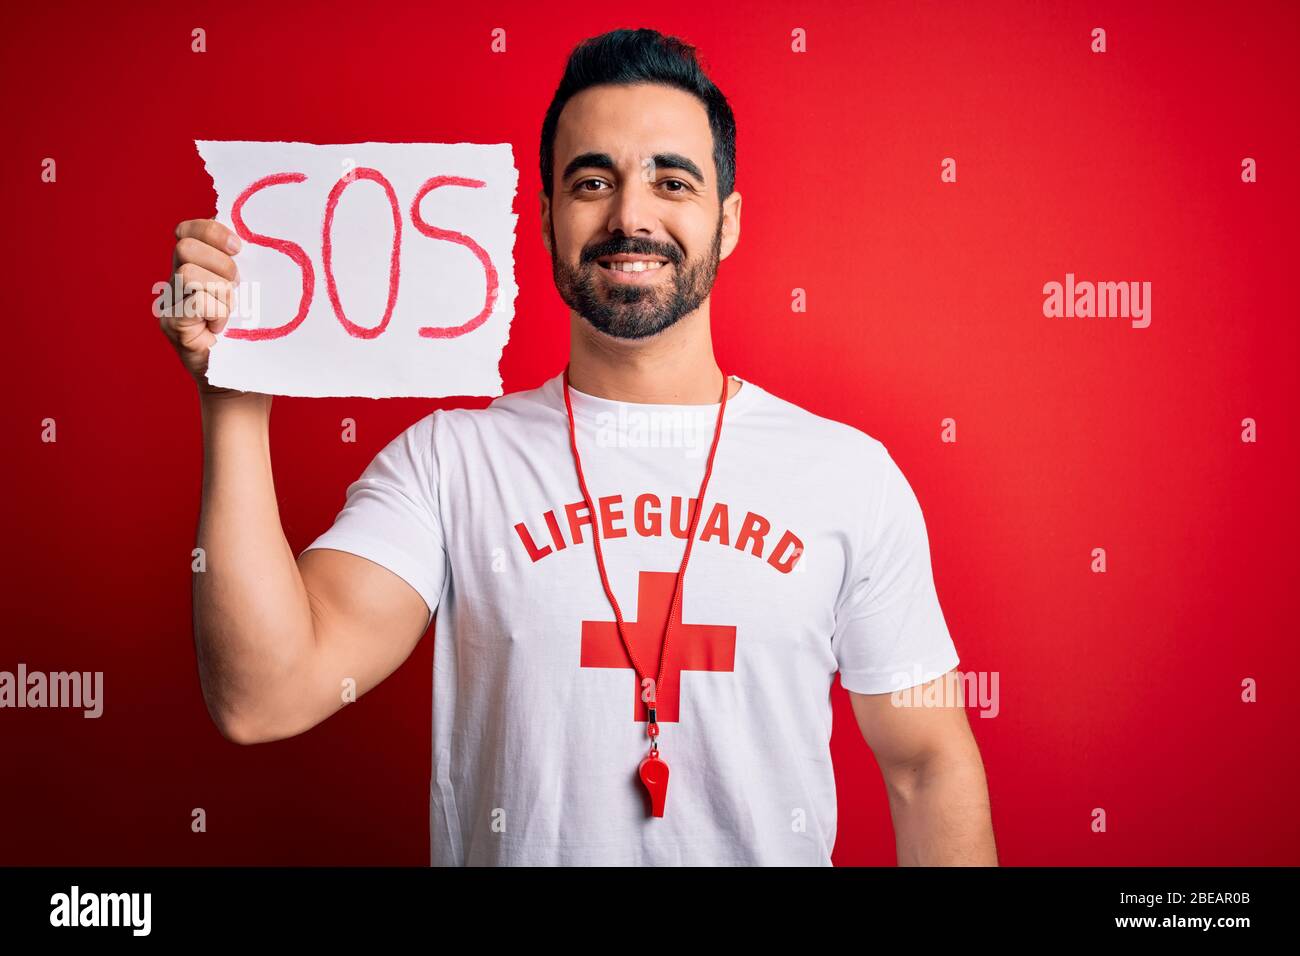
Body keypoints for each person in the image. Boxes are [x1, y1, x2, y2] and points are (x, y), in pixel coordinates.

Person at [160, 28, 996, 866]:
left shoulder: (848, 476)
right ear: (548, 214)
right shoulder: (452, 462)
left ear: (728, 221)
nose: (631, 216)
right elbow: (261, 695)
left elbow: (927, 766)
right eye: (592, 181)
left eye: (673, 181)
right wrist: (231, 395)